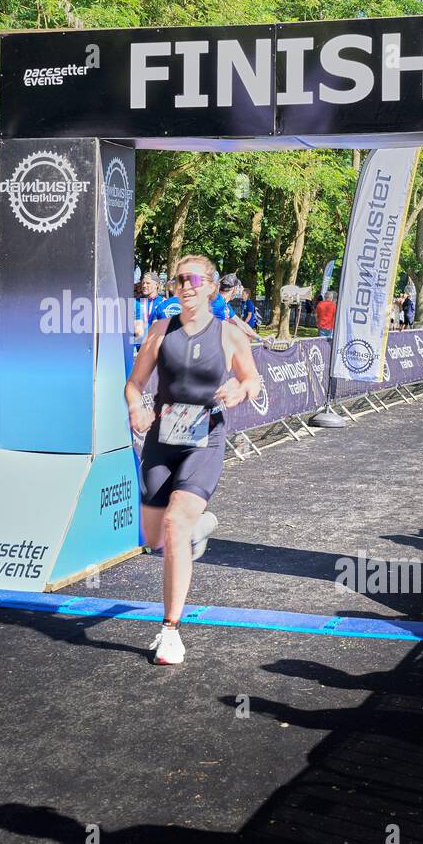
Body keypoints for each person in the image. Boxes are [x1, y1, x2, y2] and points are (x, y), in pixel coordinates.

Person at [125, 253, 262, 666]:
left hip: (205, 438)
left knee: (174, 523)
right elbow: (134, 385)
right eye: (180, 279)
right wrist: (137, 409)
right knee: (153, 540)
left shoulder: (228, 334)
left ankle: (170, 632)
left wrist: (239, 389)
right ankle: (198, 526)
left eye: (195, 279)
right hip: (162, 439)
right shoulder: (159, 330)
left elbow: (252, 378)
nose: (187, 286)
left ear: (212, 287)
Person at [133, 272, 161, 347]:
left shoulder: (163, 302)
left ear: (156, 285)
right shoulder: (135, 302)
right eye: (143, 283)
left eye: (148, 283)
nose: (144, 286)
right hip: (138, 348)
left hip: (155, 347)